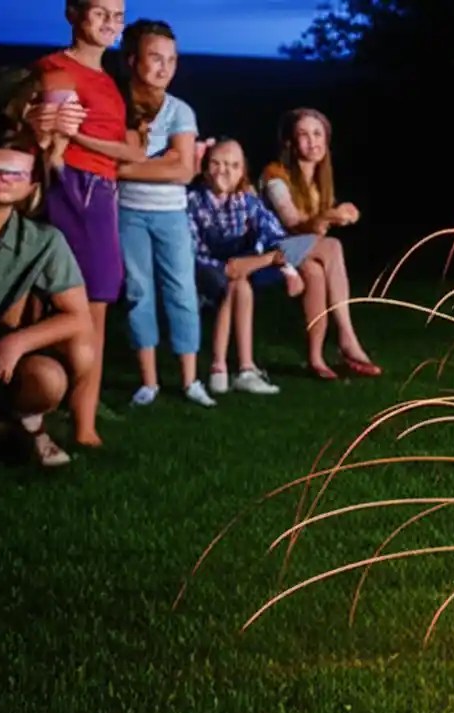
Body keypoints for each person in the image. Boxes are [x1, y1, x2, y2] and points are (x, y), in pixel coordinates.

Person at [32, 0, 143, 420]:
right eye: (100, 12)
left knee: (97, 299)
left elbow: (132, 150)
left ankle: (81, 412)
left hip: (103, 189)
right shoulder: (58, 68)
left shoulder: (111, 81)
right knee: (80, 299)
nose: (110, 23)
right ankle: (63, 411)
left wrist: (89, 143)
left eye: (118, 16)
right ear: (73, 14)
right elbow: (52, 141)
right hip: (77, 186)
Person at [0, 120, 97, 466]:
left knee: (49, 376)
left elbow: (78, 317)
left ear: (31, 186)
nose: (5, 180)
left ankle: (20, 420)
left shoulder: (42, 241)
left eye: (16, 175)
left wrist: (16, 343)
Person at [116, 19, 215, 408]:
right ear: (132, 60)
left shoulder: (179, 111)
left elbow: (185, 170)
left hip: (171, 214)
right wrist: (163, 161)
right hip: (129, 212)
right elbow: (130, 161)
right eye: (155, 58)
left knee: (182, 291)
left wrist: (127, 166)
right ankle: (149, 382)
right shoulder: (118, 106)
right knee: (138, 291)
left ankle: (190, 380)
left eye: (171, 60)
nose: (164, 68)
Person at [260, 107, 380, 380]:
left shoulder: (319, 181)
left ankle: (315, 358)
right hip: (272, 249)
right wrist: (327, 217)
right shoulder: (275, 175)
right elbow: (292, 223)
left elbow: (314, 231)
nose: (312, 141)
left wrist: (343, 214)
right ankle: (347, 337)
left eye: (318, 134)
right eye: (303, 135)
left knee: (315, 272)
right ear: (290, 142)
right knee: (333, 247)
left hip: (300, 252)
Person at [189, 138, 311, 395]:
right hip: (205, 271)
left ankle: (228, 369)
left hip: (242, 267)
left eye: (233, 166)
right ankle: (232, 367)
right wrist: (228, 268)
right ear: (205, 168)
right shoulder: (192, 201)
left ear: (242, 172)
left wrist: (283, 267)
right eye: (217, 163)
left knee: (240, 284)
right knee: (234, 283)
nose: (224, 171)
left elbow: (275, 236)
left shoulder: (246, 201)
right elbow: (193, 252)